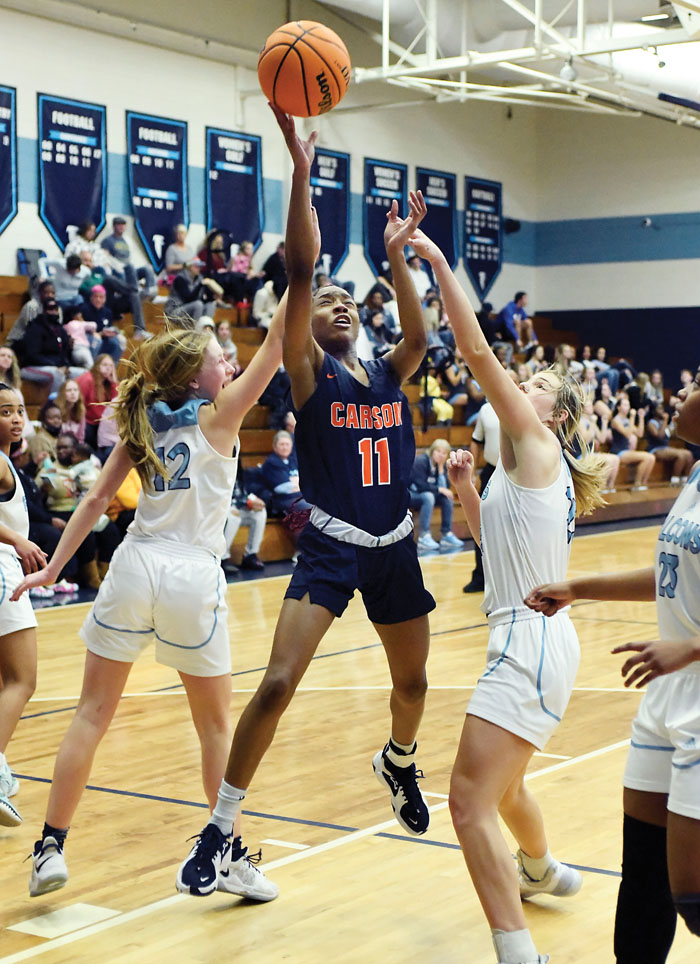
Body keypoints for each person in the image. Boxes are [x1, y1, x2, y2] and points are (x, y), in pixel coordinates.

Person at [176, 108, 436, 899]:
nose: (340, 305)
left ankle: (396, 761)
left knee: (415, 688)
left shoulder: (389, 372)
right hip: (328, 546)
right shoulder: (307, 376)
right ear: (306, 326)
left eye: (348, 301)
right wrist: (299, 173)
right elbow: (297, 270)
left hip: (393, 543)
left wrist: (397, 257)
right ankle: (220, 828)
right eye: (327, 304)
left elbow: (421, 337)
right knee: (278, 684)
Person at [12, 293, 290, 901]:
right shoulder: (222, 416)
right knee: (216, 728)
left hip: (134, 565)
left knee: (90, 714)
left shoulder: (143, 422)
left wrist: (52, 568)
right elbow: (275, 345)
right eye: (222, 358)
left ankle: (50, 847)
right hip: (192, 573)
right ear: (198, 375)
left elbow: (91, 504)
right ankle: (229, 855)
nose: (231, 365)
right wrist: (298, 270)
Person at [407, 221, 607, 964]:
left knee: (465, 801)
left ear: (551, 413)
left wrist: (431, 258)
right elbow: (493, 551)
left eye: (536, 388)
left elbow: (476, 352)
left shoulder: (538, 440)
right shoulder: (521, 471)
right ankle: (541, 869)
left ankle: (518, 951)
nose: (521, 389)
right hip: (538, 634)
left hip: (529, 637)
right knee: (508, 783)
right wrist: (465, 492)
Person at [524, 364, 700, 964]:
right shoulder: (697, 476)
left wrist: (694, 647)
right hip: (665, 697)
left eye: (695, 384)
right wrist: (579, 587)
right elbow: (672, 579)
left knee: (693, 899)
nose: (681, 393)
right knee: (644, 882)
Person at [0, 383, 45, 826]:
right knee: (22, 680)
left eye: (19, 410)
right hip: (2, 574)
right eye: (4, 411)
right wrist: (17, 539)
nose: (15, 418)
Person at [17, 298, 86, 393]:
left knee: (84, 374)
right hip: (31, 367)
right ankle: (55, 405)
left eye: (55, 309)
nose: (53, 312)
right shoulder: (35, 328)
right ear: (44, 311)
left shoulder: (60, 329)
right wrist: (56, 365)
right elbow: (32, 355)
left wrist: (66, 364)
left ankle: (78, 406)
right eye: (50, 309)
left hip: (56, 367)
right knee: (58, 374)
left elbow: (64, 354)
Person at [409, 439, 464, 554]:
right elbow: (420, 485)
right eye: (438, 451)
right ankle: (424, 536)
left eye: (444, 453)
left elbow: (445, 488)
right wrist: (439, 489)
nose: (441, 455)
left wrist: (440, 471)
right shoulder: (421, 461)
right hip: (411, 494)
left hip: (427, 495)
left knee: (447, 498)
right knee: (429, 496)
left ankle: (446, 534)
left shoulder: (442, 466)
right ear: (432, 451)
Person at [101, 215, 157, 302]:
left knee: (148, 268)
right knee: (129, 267)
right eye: (119, 224)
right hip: (118, 270)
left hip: (131, 271)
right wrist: (119, 267)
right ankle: (136, 291)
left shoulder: (127, 240)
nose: (121, 227)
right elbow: (106, 258)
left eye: (123, 224)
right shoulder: (107, 241)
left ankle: (150, 292)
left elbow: (131, 257)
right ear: (114, 226)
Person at [609, 394, 655, 490]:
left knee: (651, 457)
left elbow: (639, 433)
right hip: (618, 452)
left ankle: (643, 483)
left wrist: (641, 417)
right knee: (646, 457)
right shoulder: (615, 420)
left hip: (626, 451)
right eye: (625, 405)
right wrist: (632, 417)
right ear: (618, 407)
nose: (627, 407)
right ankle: (637, 484)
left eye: (628, 405)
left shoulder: (626, 420)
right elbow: (627, 434)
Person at [77, 355, 119, 449]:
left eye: (111, 366)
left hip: (99, 422)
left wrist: (114, 382)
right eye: (104, 365)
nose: (108, 368)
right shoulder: (87, 379)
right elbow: (79, 403)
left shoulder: (108, 382)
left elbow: (116, 403)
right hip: (86, 421)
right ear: (97, 366)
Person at [164, 260, 221, 328]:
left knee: (210, 305)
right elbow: (188, 298)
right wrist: (200, 285)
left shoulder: (199, 278)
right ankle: (195, 330)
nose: (199, 269)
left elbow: (203, 298)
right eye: (197, 267)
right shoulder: (180, 279)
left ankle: (207, 329)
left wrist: (213, 296)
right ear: (190, 267)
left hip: (190, 309)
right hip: (175, 310)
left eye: (200, 267)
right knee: (198, 304)